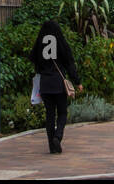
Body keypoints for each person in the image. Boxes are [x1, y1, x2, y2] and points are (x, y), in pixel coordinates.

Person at [30, 19, 82, 154]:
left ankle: (51, 145)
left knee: (50, 115)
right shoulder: (60, 42)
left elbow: (33, 59)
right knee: (63, 112)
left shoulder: (40, 44)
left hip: (45, 84)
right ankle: (58, 137)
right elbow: (70, 63)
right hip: (58, 82)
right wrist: (77, 81)